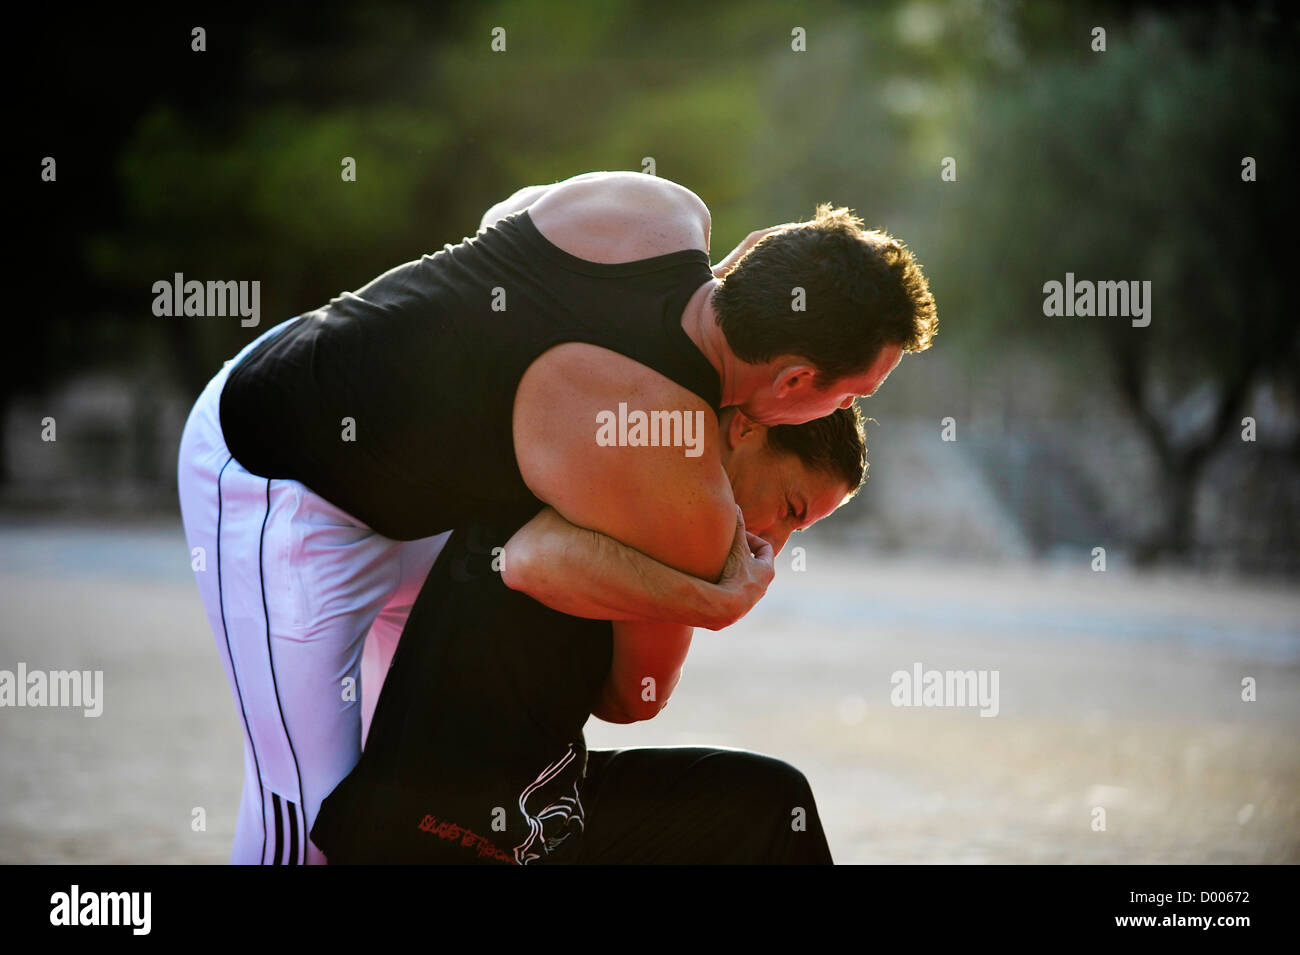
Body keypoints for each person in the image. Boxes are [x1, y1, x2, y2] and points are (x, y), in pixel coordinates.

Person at [177, 169, 936, 863]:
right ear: (797, 378)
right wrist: (714, 596)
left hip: (413, 490)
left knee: (392, 792)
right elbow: (630, 698)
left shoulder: (658, 210)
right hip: (279, 462)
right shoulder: (672, 458)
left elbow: (501, 222)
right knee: (306, 805)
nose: (845, 411)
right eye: (847, 398)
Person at [311, 406, 866, 865]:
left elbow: (625, 700)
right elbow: (632, 696)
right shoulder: (637, 470)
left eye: (799, 529)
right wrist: (712, 594)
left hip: (553, 800)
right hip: (451, 827)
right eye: (789, 509)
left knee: (772, 801)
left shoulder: (670, 486)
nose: (776, 540)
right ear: (746, 428)